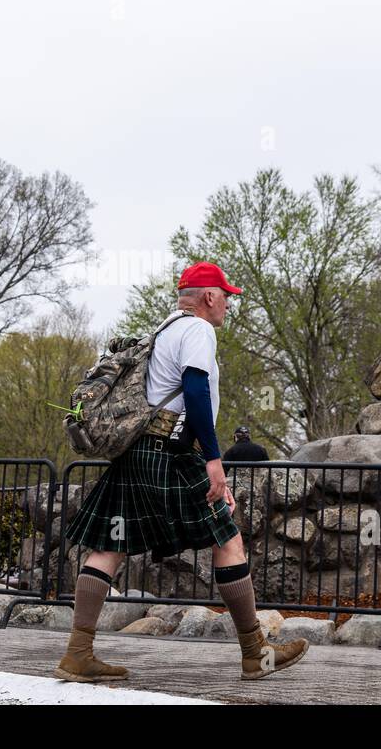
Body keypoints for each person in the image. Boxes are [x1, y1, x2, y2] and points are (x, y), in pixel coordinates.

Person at [55, 262, 308, 682]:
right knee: (227, 535)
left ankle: (78, 654)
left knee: (109, 544)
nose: (228, 304)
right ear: (209, 296)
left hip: (137, 451)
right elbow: (194, 391)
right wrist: (212, 459)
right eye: (226, 296)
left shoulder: (165, 329)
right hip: (170, 450)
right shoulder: (197, 330)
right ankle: (255, 652)